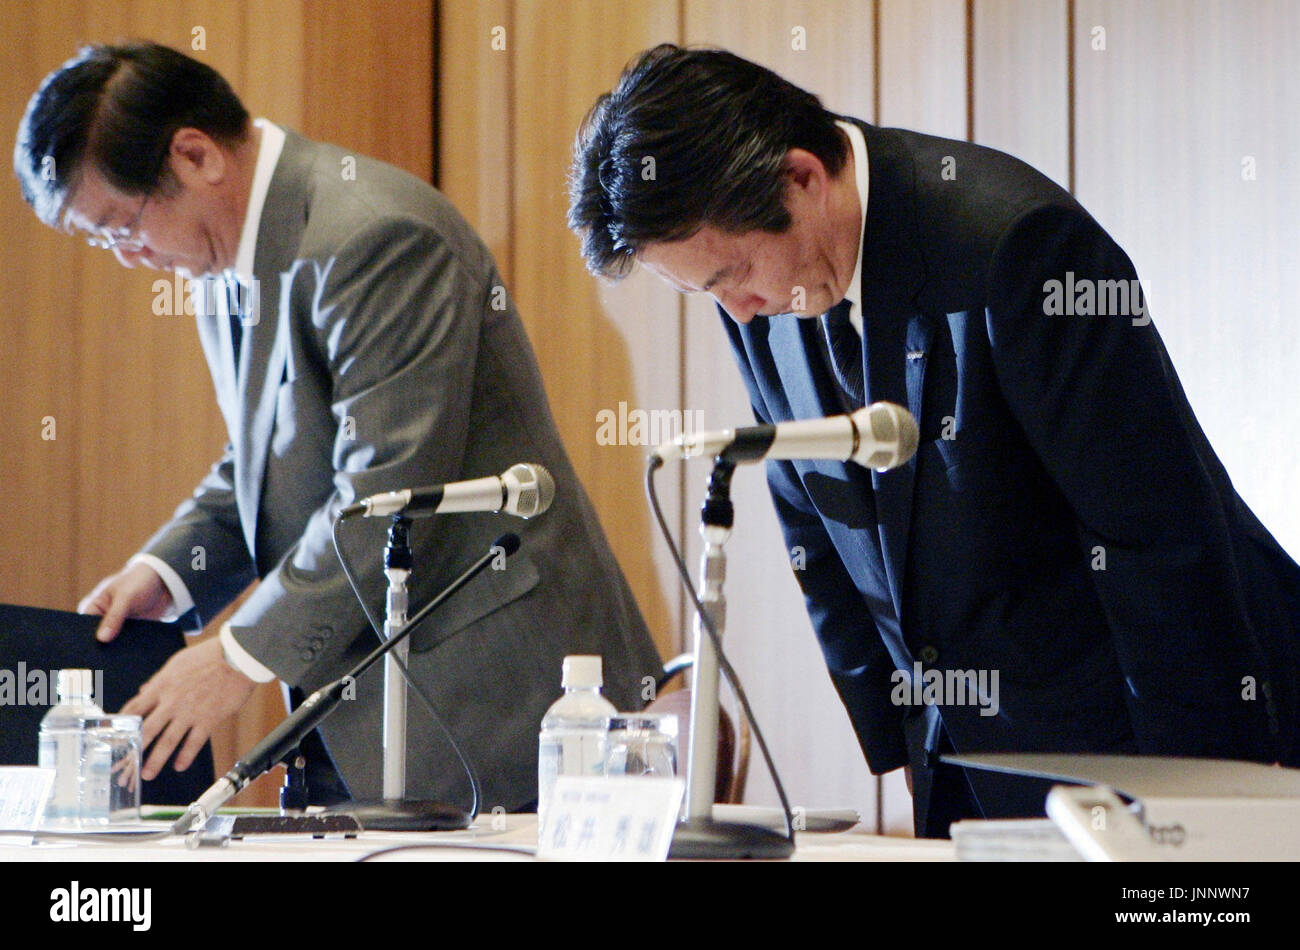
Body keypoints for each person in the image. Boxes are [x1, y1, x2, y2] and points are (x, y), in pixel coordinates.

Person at [568, 44, 1300, 837]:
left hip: (1130, 746)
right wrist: (890, 723)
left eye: (733, 275)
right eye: (706, 290)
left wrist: (1192, 806)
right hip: (960, 758)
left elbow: (1157, 532)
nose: (739, 310)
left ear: (801, 177)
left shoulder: (1015, 246)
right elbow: (803, 493)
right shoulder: (753, 295)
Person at [14, 41, 662, 811]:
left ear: (194, 156)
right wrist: (168, 571)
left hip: (505, 711)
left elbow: (387, 490)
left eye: (121, 227)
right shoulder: (222, 264)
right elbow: (269, 455)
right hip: (365, 710)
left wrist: (239, 653)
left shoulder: (374, 235)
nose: (128, 258)